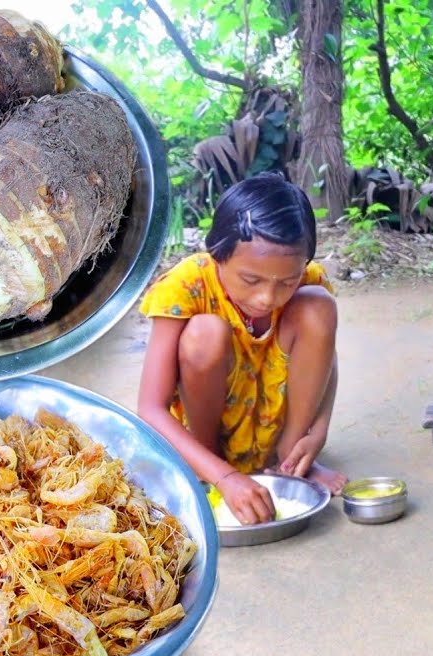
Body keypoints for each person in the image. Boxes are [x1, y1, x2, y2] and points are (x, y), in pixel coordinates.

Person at [137, 174, 345, 525]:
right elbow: (150, 409)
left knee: (319, 306)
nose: (267, 297)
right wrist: (226, 478)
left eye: (287, 281)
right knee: (206, 332)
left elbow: (328, 361)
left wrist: (318, 433)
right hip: (203, 445)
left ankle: (290, 464)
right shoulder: (186, 286)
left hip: (275, 433)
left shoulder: (309, 281)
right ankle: (208, 468)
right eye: (251, 280)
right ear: (217, 256)